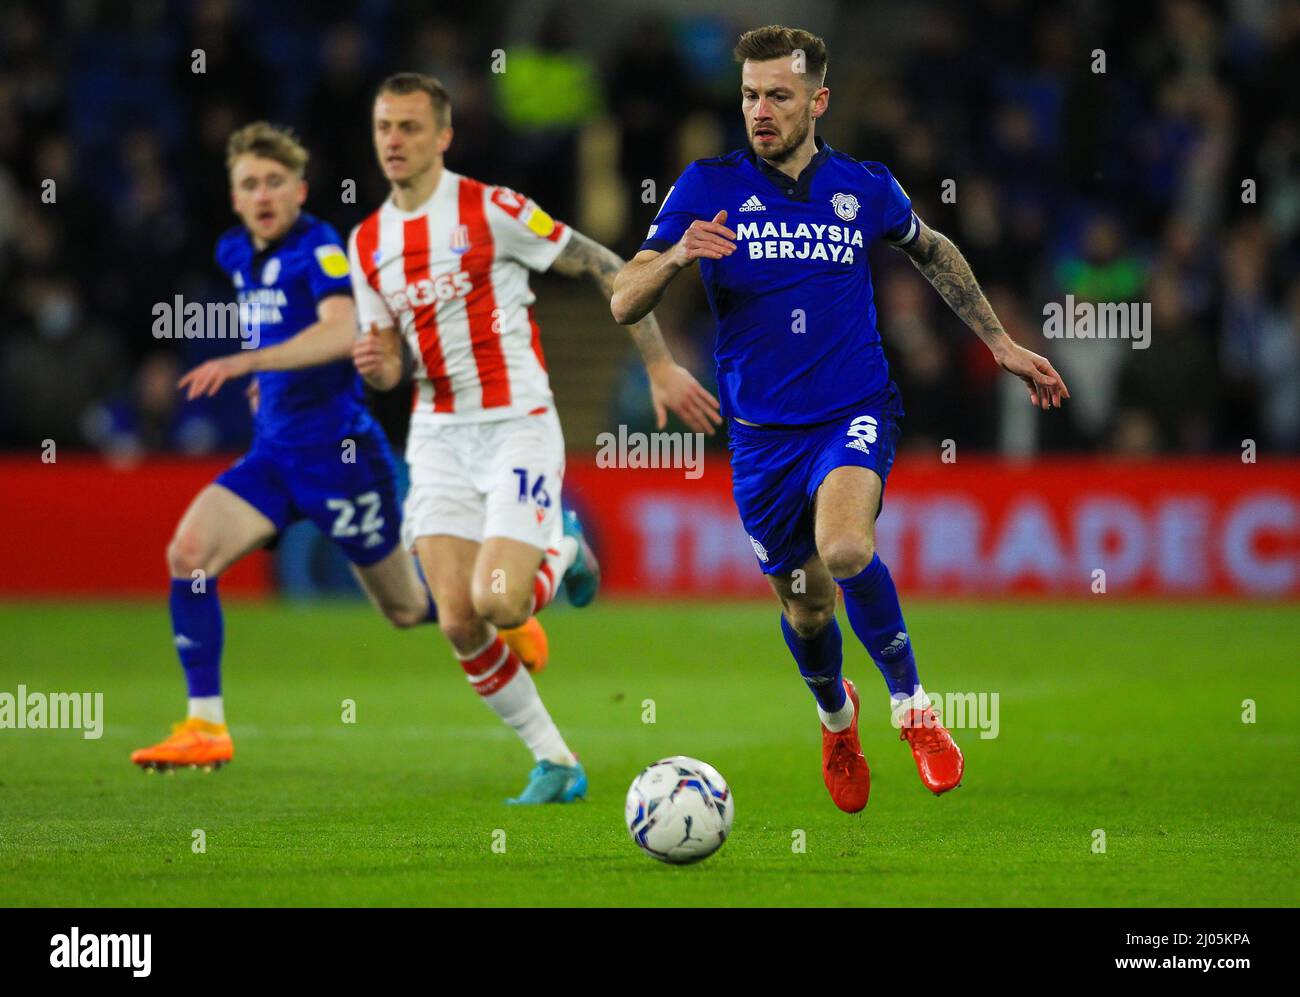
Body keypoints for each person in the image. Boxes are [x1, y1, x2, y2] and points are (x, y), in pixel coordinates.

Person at [611, 26, 1069, 813]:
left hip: (852, 409)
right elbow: (624, 298)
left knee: (847, 546)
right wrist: (678, 254)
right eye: (751, 95)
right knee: (806, 603)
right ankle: (836, 716)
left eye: (779, 96)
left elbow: (932, 249)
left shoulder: (863, 186)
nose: (761, 109)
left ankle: (914, 708)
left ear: (817, 101)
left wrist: (997, 340)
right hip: (760, 438)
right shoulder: (705, 185)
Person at [130, 123, 548, 773]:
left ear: (299, 190)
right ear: (234, 197)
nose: (263, 194)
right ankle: (204, 724)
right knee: (189, 553)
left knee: (408, 607)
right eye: (249, 184)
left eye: (275, 181)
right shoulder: (237, 252)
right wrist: (267, 383)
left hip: (340, 457)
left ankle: (506, 601)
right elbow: (285, 329)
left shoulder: (320, 250)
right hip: (273, 456)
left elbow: (340, 329)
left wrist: (250, 364)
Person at [349, 74, 719, 803]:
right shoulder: (367, 243)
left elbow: (607, 266)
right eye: (385, 127)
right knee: (456, 617)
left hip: (516, 424)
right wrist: (378, 361)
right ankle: (557, 761)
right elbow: (391, 361)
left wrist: (660, 363)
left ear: (443, 136)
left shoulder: (493, 210)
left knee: (501, 605)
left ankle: (566, 548)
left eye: (410, 127)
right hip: (438, 436)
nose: (394, 140)